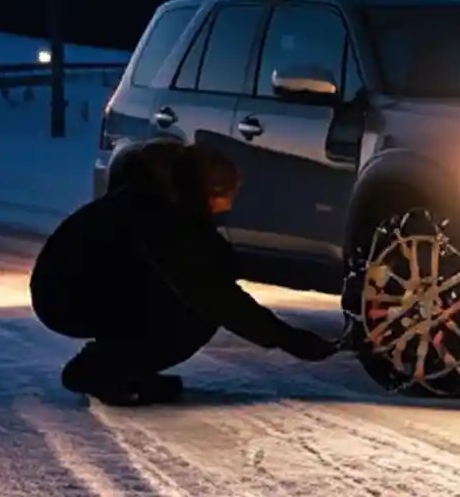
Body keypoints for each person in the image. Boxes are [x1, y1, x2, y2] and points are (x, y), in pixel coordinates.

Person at [30, 139, 338, 406]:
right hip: (68, 297)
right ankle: (99, 372)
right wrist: (291, 340)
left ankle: (126, 371)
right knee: (195, 316)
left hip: (88, 287)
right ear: (207, 191)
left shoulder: (158, 200)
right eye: (228, 195)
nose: (229, 205)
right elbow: (215, 295)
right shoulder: (160, 218)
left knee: (181, 302)